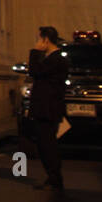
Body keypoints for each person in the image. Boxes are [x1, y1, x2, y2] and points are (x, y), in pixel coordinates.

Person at [27, 25, 68, 191]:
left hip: (48, 108)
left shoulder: (57, 59)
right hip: (44, 107)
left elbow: (35, 71)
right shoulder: (51, 58)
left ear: (45, 40)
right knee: (44, 143)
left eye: (39, 39)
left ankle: (55, 178)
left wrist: (34, 52)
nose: (37, 42)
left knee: (48, 144)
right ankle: (52, 177)